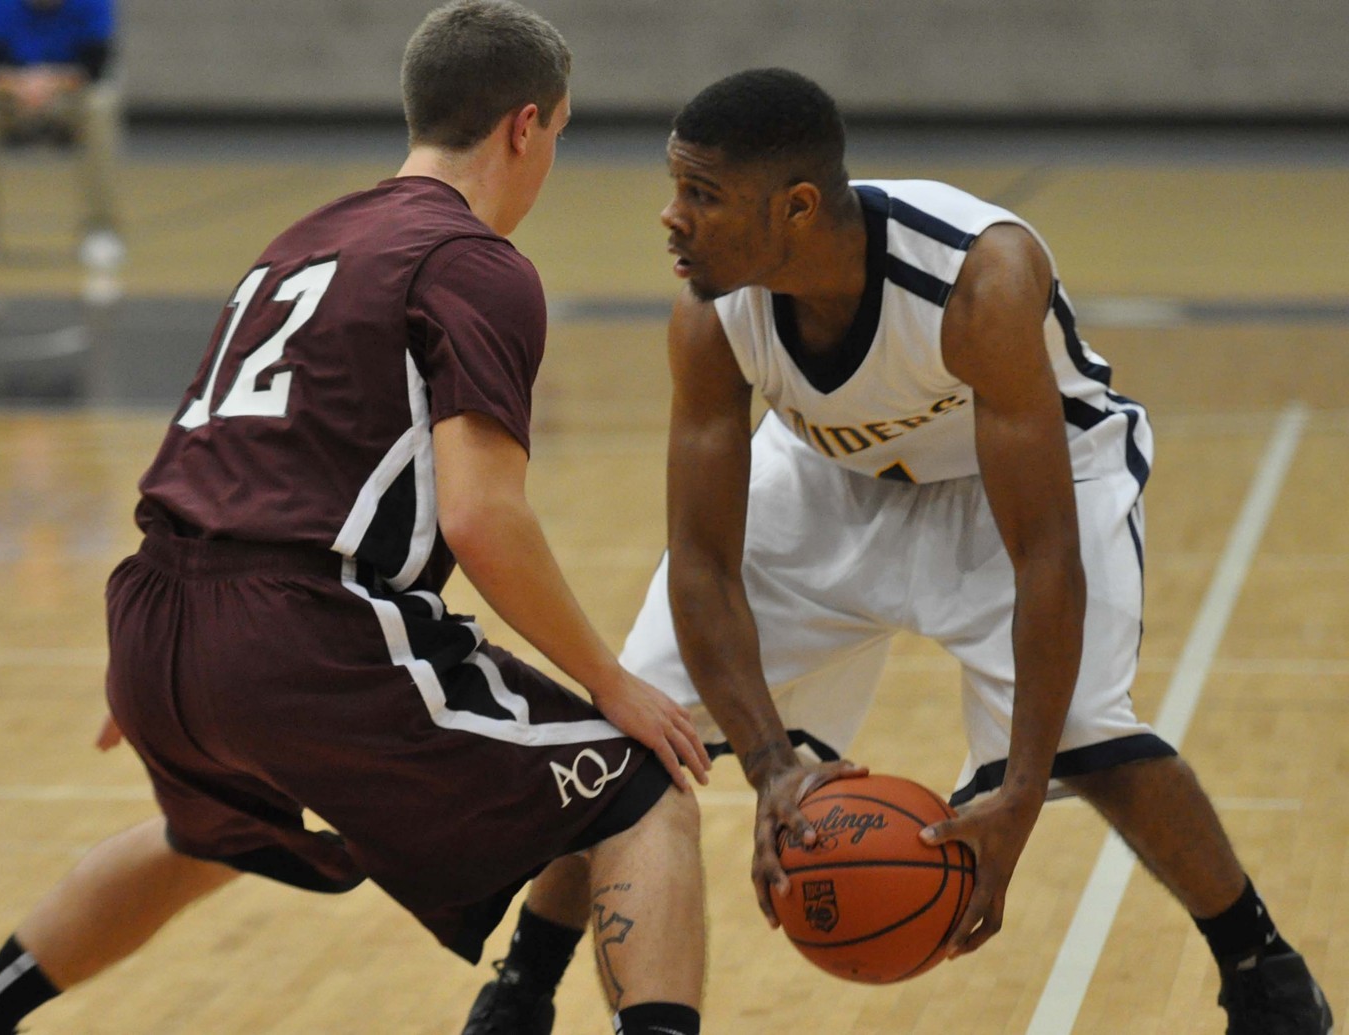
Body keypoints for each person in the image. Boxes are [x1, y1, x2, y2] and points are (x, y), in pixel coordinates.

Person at [0, 5, 714, 1035]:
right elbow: (483, 517)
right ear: (524, 126)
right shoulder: (475, 263)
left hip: (159, 617)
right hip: (302, 636)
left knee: (209, 837)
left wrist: (162, 667)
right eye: (562, 136)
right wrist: (612, 679)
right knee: (640, 788)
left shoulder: (303, 239)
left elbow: (201, 448)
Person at [460, 68, 1334, 1035]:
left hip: (1027, 490)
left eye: (700, 196)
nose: (671, 219)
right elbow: (702, 560)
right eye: (676, 190)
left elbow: (1045, 554)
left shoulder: (977, 278)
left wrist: (1022, 794)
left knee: (1087, 735)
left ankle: (1261, 967)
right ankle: (521, 988)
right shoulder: (713, 312)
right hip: (830, 476)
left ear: (795, 207)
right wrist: (770, 764)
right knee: (636, 731)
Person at [0, 0, 124, 272]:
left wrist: (50, 83)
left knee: (102, 104)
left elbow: (96, 65)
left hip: (68, 97)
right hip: (11, 97)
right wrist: (20, 85)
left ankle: (101, 230)